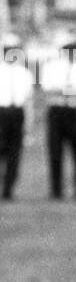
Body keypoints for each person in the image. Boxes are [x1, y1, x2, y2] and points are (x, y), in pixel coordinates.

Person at [40, 34, 76, 201]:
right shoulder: (51, 67)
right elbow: (48, 88)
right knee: (55, 153)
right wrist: (69, 90)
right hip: (57, 110)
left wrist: (67, 90)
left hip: (74, 111)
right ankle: (56, 191)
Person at [0, 33, 33, 201]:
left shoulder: (24, 74)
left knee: (14, 153)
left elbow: (28, 102)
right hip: (1, 113)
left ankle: (8, 189)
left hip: (17, 114)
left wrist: (29, 126)